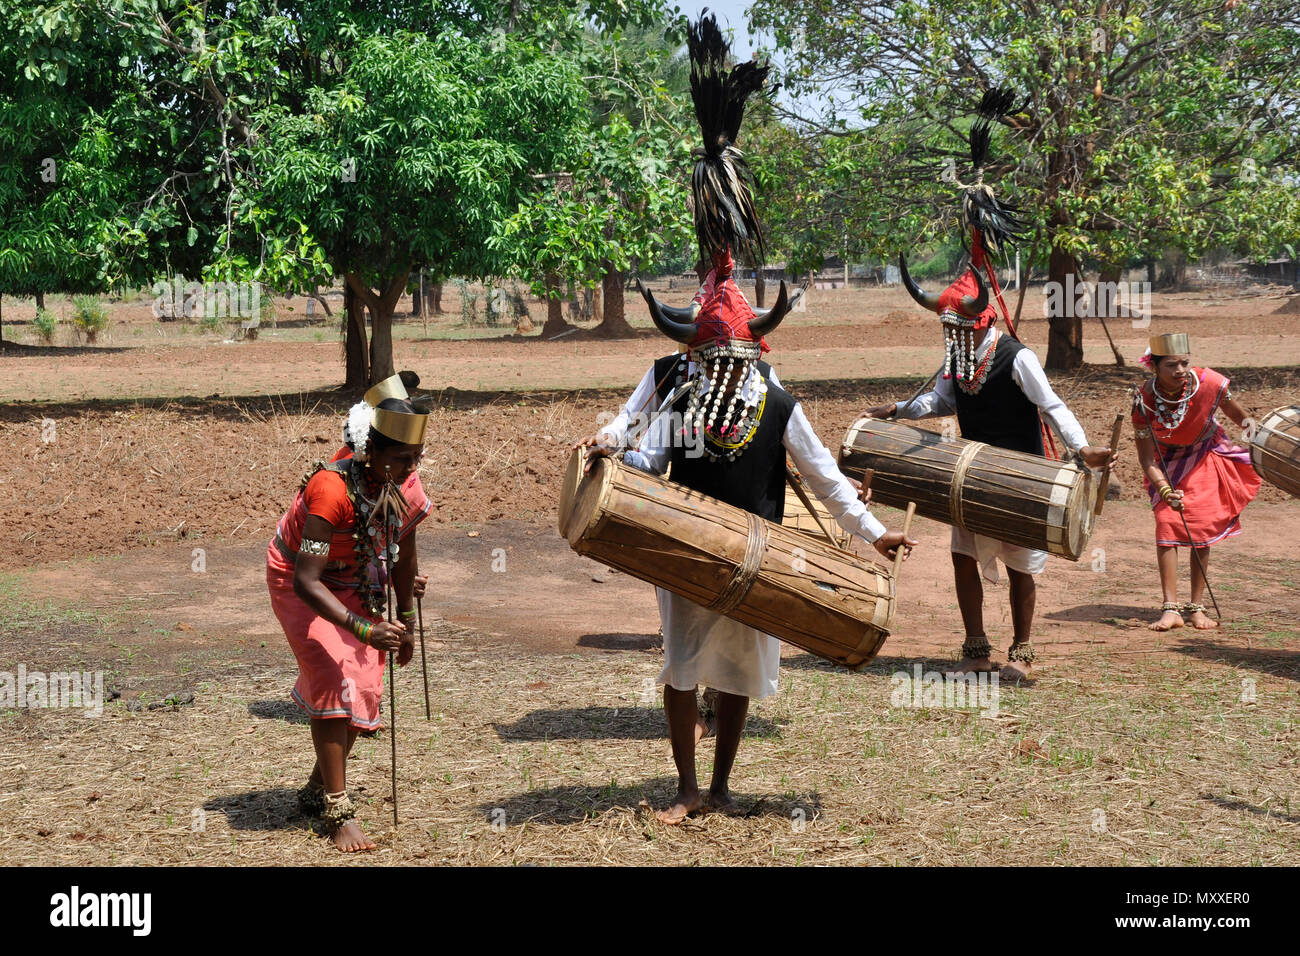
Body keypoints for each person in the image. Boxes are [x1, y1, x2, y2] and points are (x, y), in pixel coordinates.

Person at [589, 14, 916, 825]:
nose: (719, 369)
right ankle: (686, 789)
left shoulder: (775, 398)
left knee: (737, 673)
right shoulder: (670, 376)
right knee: (680, 666)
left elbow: (820, 472)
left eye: (730, 358)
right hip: (680, 545)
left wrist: (871, 533)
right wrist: (605, 447)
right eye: (712, 357)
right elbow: (634, 434)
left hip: (761, 555)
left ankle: (724, 786)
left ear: (750, 354)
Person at [863, 86, 1114, 680]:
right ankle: (975, 641)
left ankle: (1021, 644)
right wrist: (899, 410)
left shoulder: (1016, 356)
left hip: (1024, 469)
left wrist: (1081, 452)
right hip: (968, 469)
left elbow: (1052, 407)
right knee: (962, 556)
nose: (951, 333)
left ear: (981, 320)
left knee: (1024, 564)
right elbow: (941, 398)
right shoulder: (957, 353)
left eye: (957, 325)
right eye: (946, 326)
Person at [266, 373, 431, 851]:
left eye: (415, 460)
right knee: (335, 676)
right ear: (370, 452)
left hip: (356, 575)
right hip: (302, 581)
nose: (410, 470)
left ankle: (319, 788)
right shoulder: (329, 490)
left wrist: (405, 623)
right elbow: (305, 579)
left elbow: (402, 552)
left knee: (361, 684)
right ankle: (338, 811)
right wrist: (363, 626)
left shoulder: (401, 485)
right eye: (401, 460)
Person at [1131, 333, 1260, 631]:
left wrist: (1265, 440)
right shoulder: (1144, 402)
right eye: (1171, 365)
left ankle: (1195, 608)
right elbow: (1147, 460)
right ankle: (1170, 609)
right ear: (1155, 367)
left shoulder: (1210, 384)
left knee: (1200, 526)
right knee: (1167, 522)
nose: (1180, 371)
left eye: (1184, 363)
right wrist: (1164, 490)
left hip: (1205, 453)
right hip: (1165, 462)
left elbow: (1240, 418)